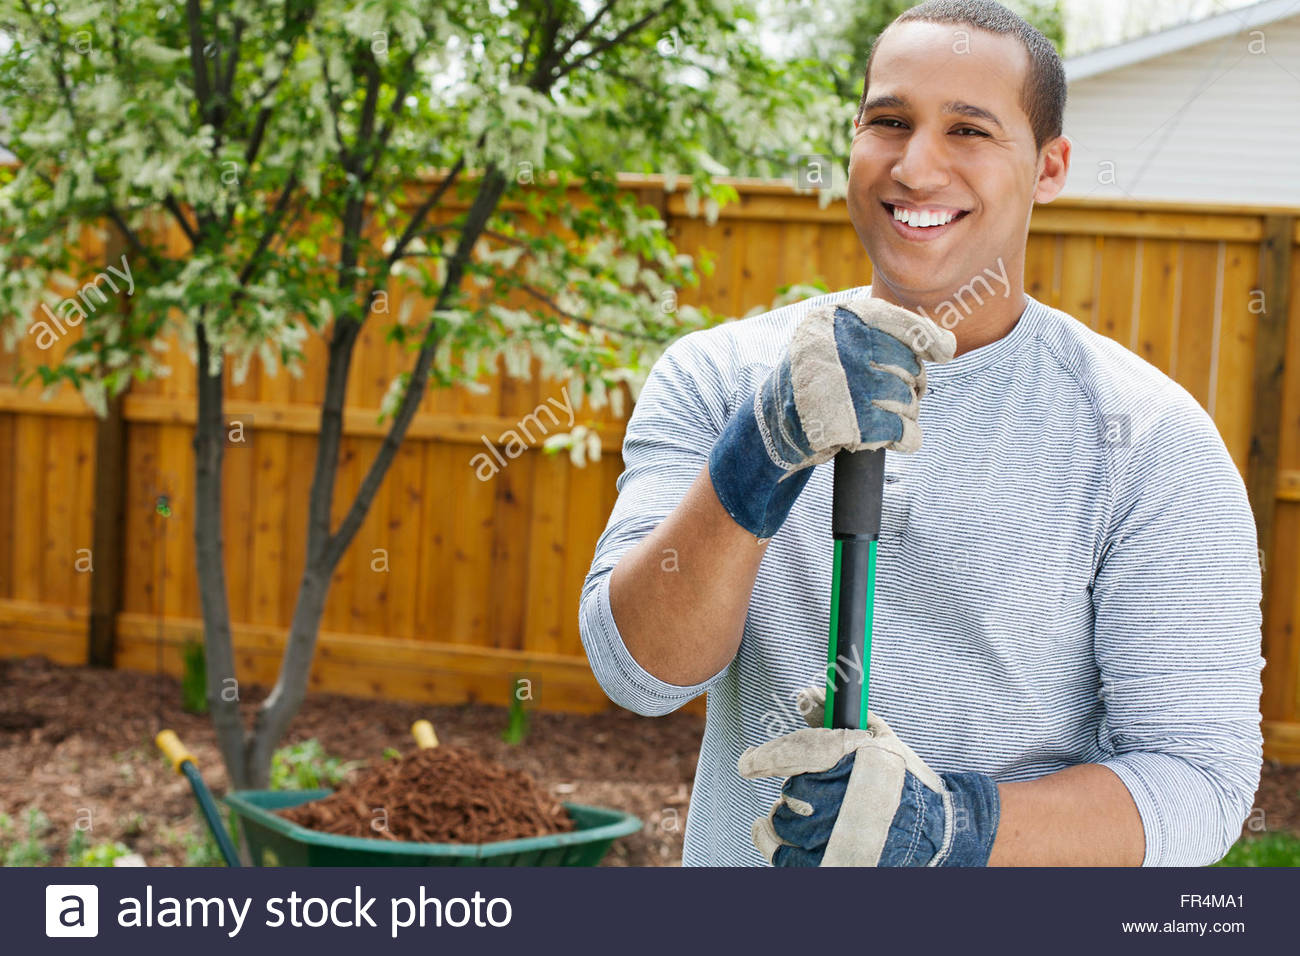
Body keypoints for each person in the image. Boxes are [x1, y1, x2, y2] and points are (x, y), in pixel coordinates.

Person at [578, 0, 1264, 866]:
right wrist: (757, 457)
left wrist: (951, 828)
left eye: (969, 130)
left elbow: (1199, 784)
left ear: (1049, 167)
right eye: (889, 121)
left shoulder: (1147, 439)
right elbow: (638, 675)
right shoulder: (720, 378)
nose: (915, 165)